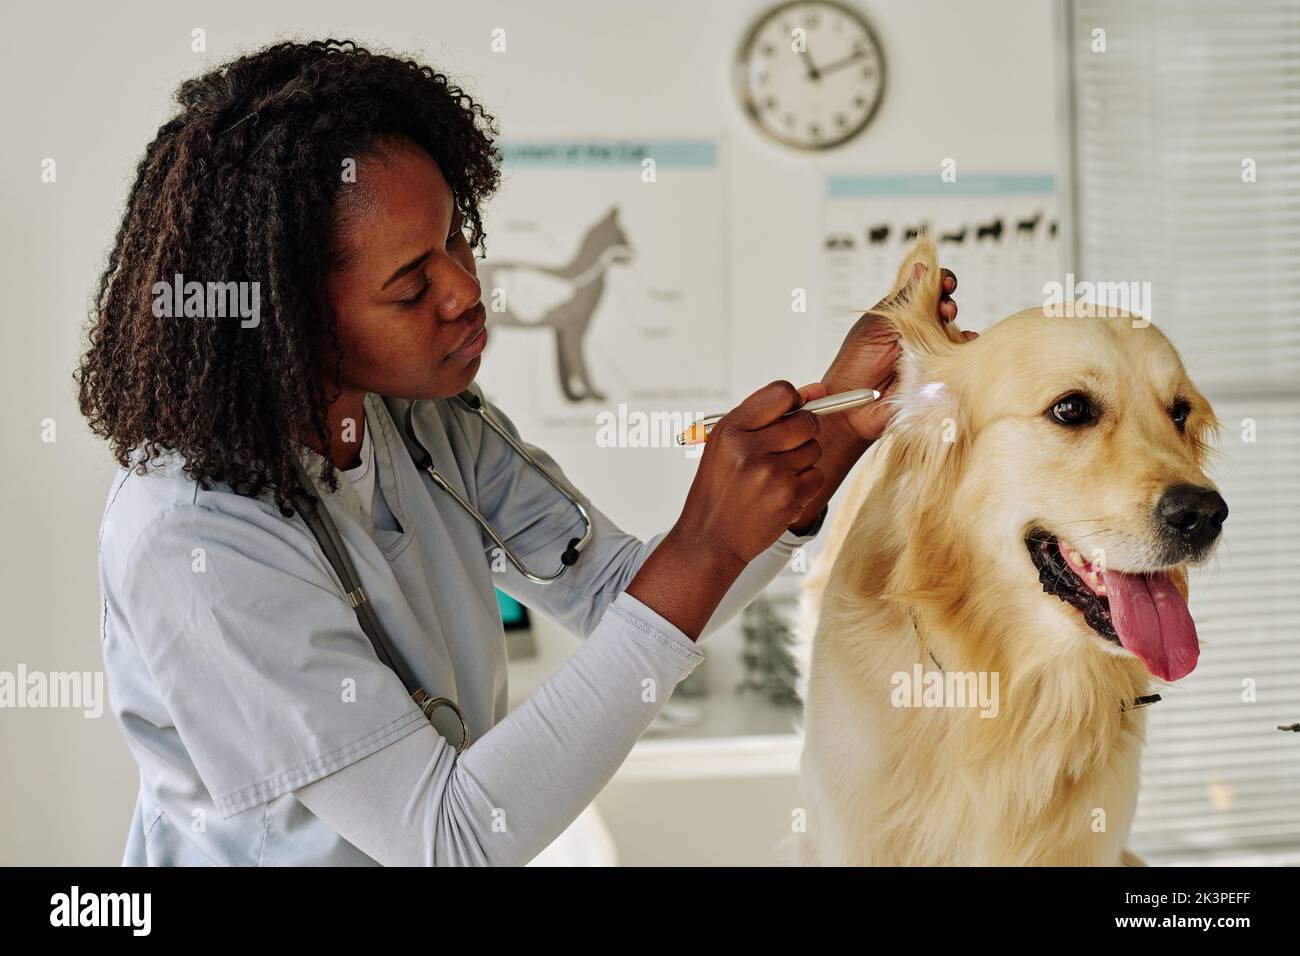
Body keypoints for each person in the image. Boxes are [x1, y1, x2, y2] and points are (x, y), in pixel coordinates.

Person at [76, 39, 967, 866]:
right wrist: (706, 541)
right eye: (412, 284)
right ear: (295, 323)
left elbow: (622, 593)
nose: (467, 291)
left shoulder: (426, 420)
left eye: (456, 238)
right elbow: (450, 837)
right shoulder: (192, 538)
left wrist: (842, 430)